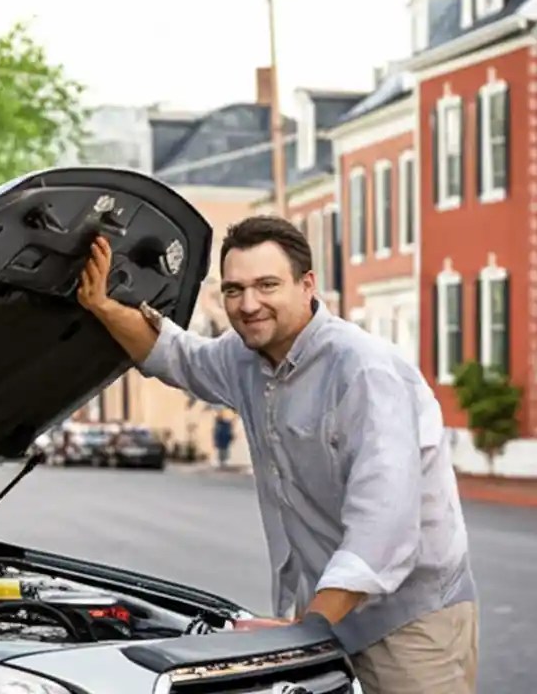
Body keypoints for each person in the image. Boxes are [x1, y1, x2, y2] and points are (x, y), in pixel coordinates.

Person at [75, 216, 478, 694]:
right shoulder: (244, 359)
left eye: (267, 285)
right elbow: (174, 355)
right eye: (234, 290)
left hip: (411, 623)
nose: (248, 305)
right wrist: (100, 305)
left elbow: (383, 528)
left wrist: (307, 629)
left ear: (307, 284)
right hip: (326, 617)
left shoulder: (364, 373)